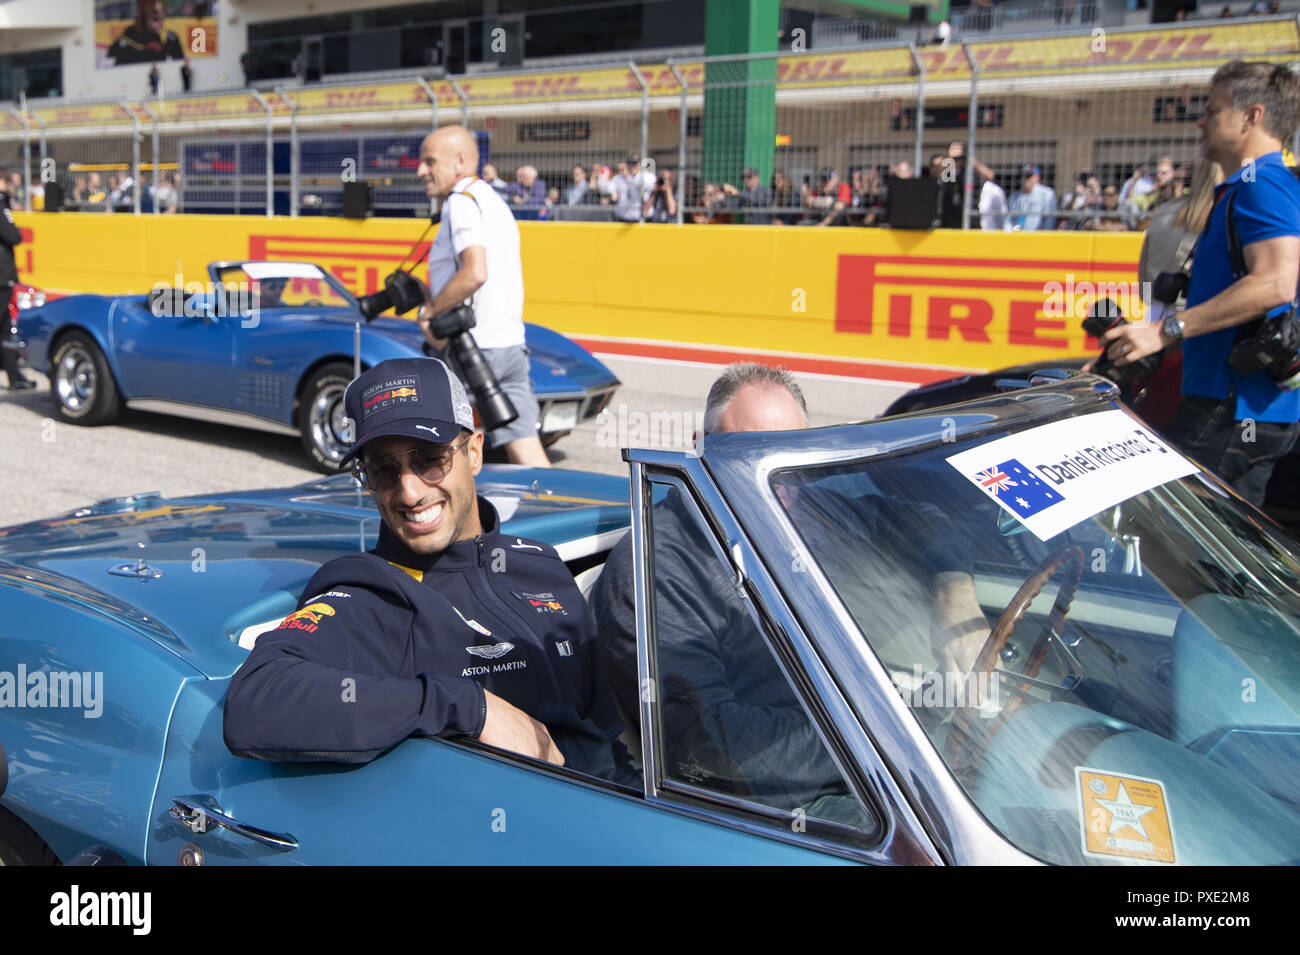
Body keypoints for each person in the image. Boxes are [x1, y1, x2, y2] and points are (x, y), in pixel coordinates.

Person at [590, 362, 989, 811]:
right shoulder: (662, 564)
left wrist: (955, 592)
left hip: (895, 753)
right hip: (809, 808)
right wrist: (885, 736)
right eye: (748, 452)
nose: (769, 472)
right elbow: (706, 745)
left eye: (786, 451)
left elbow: (921, 520)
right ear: (700, 449)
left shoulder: (811, 507)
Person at [224, 357, 628, 773]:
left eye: (430, 458)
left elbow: (611, 732)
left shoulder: (540, 562)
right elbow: (255, 699)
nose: (409, 491)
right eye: (382, 469)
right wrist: (468, 705)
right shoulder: (373, 595)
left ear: (473, 451)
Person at [1101, 60, 1300, 506]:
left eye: (1213, 110)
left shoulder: (1260, 184)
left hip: (1230, 410)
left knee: (1185, 554)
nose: (1202, 120)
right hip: (1238, 404)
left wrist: (1164, 329)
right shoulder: (1254, 185)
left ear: (1253, 116)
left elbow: (1275, 284)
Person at [413, 124, 551, 468]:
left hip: (472, 349)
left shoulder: (459, 201)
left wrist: (429, 310)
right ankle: (558, 512)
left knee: (441, 457)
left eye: (430, 161)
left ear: (460, 161)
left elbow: (475, 272)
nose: (421, 171)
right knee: (526, 450)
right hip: (509, 346)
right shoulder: (492, 201)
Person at [0, 172, 34, 390]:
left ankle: (14, 375)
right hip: (2, 275)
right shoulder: (0, 201)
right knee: (5, 325)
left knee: (5, 327)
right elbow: (13, 235)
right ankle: (14, 375)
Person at [106, 0, 185, 65]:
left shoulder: (172, 41)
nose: (157, 10)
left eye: (161, 10)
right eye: (151, 8)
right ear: (140, 12)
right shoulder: (122, 46)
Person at [1008, 163, 1056, 230]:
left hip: (1037, 237)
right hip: (1018, 236)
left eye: (1029, 176)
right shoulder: (1014, 196)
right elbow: (1009, 220)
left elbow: (1049, 220)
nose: (1025, 179)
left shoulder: (1046, 194)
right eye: (1023, 176)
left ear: (1037, 177)